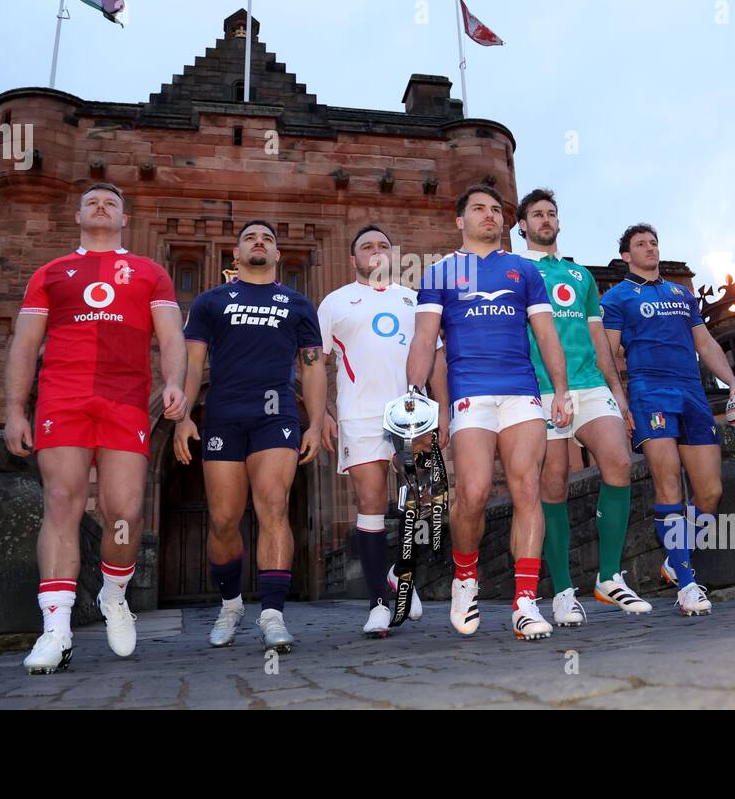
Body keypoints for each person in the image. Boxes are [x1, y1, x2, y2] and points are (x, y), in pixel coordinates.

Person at [6, 182, 187, 674]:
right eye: (92, 202)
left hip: (125, 399)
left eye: (111, 203)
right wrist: (16, 410)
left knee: (123, 511)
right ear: (79, 216)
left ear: (124, 219)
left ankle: (113, 592)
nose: (101, 207)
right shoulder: (49, 273)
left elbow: (172, 335)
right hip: (62, 397)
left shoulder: (150, 273)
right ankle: (56, 630)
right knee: (61, 501)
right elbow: (24, 346)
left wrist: (174, 382)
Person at [406, 184, 571, 641]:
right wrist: (415, 396)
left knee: (526, 490)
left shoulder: (522, 270)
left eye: (496, 210)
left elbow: (546, 334)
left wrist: (560, 390)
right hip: (469, 394)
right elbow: (424, 340)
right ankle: (465, 577)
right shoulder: (440, 273)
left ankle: (524, 601)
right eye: (478, 209)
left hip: (521, 391)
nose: (489, 216)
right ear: (460, 221)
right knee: (473, 493)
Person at [173, 220, 325, 653]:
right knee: (223, 520)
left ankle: (273, 615)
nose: (260, 243)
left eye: (269, 239)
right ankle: (231, 604)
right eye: (250, 238)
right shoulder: (209, 302)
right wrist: (183, 417)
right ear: (235, 255)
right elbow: (192, 362)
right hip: (222, 415)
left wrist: (315, 422)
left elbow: (312, 366)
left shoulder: (297, 304)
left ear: (277, 255)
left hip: (275, 415)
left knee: (274, 507)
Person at [601, 223, 735, 616]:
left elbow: (704, 343)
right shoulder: (617, 297)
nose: (650, 248)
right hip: (649, 393)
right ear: (626, 256)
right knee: (667, 480)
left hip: (692, 393)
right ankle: (687, 585)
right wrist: (620, 402)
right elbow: (609, 353)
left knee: (710, 492)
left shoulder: (681, 294)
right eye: (641, 244)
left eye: (653, 243)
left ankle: (675, 557)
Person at [516, 189, 651, 625]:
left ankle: (608, 576)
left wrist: (619, 393)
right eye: (537, 214)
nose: (546, 219)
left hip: (591, 385)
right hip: (541, 389)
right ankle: (560, 592)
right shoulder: (516, 272)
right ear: (522, 226)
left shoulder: (580, 276)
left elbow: (599, 340)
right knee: (553, 484)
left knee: (618, 462)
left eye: (551, 213)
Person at [318, 224, 449, 637]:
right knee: (371, 500)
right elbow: (314, 362)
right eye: (366, 246)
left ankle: (398, 571)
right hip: (359, 415)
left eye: (382, 246)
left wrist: (443, 410)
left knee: (432, 501)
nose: (375, 251)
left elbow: (438, 358)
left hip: (413, 413)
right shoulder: (335, 303)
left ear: (393, 254)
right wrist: (320, 413)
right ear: (353, 257)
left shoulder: (415, 299)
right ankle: (378, 602)